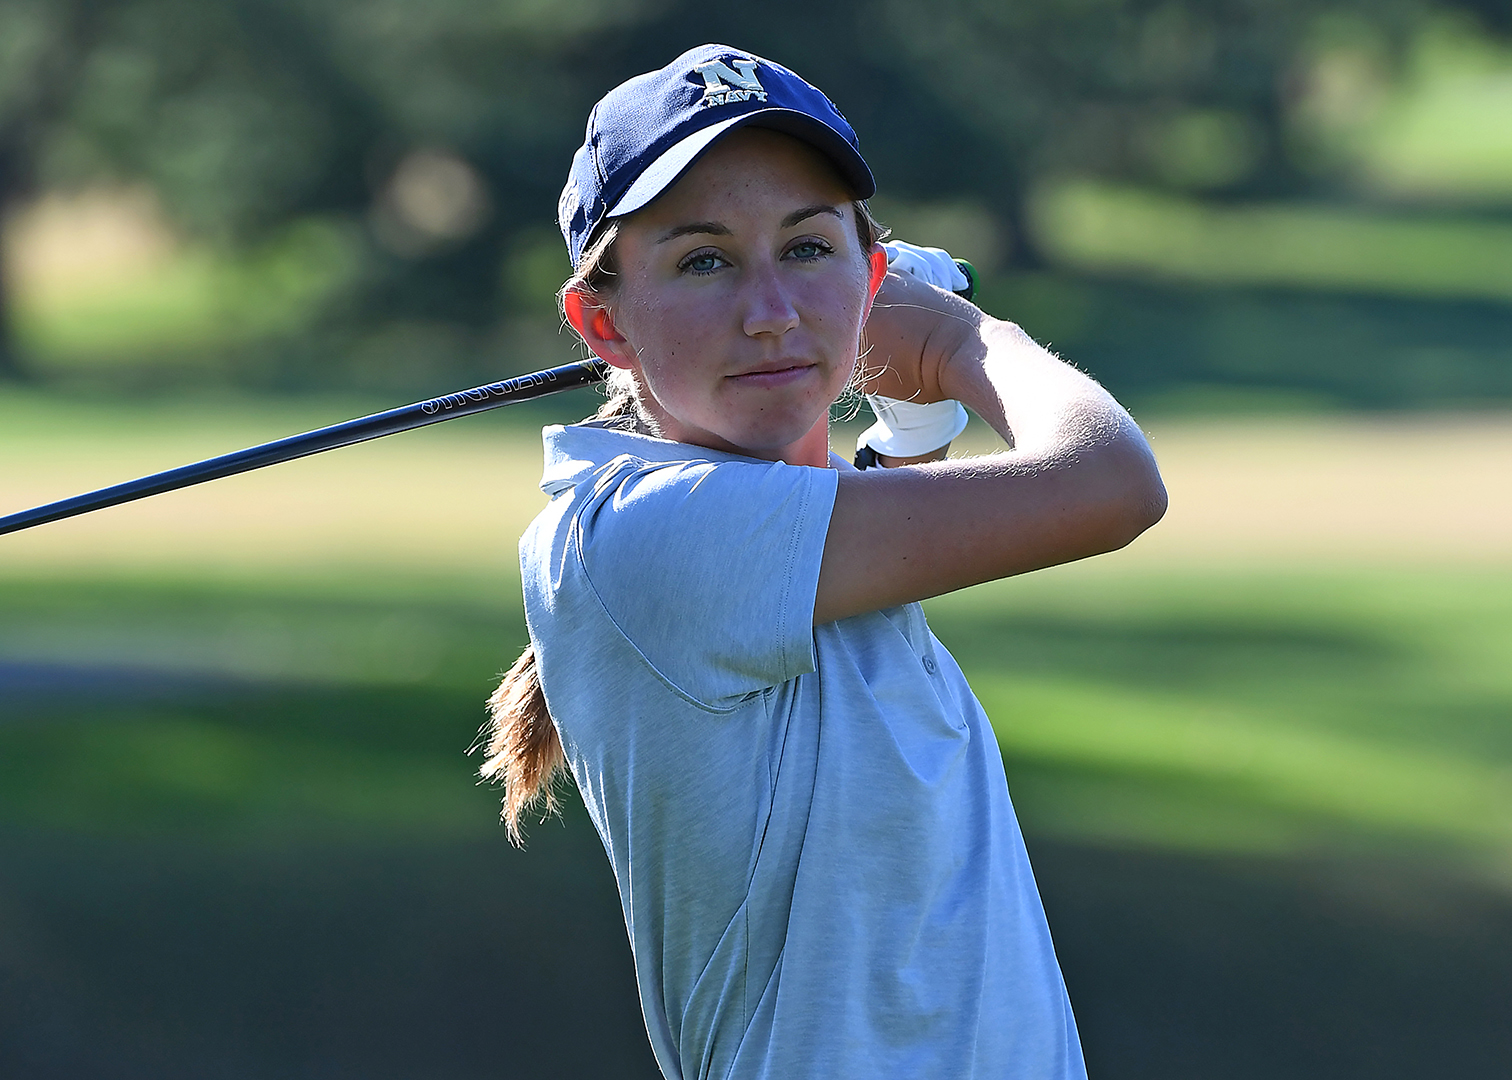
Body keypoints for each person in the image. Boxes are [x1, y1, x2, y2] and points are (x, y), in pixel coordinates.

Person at [479, 44, 1166, 1080]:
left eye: (808, 250)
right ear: (601, 320)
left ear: (869, 271)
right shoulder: (640, 532)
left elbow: (866, 564)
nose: (771, 312)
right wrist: (965, 344)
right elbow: (1109, 486)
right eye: (703, 261)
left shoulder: (777, 544)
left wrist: (909, 420)